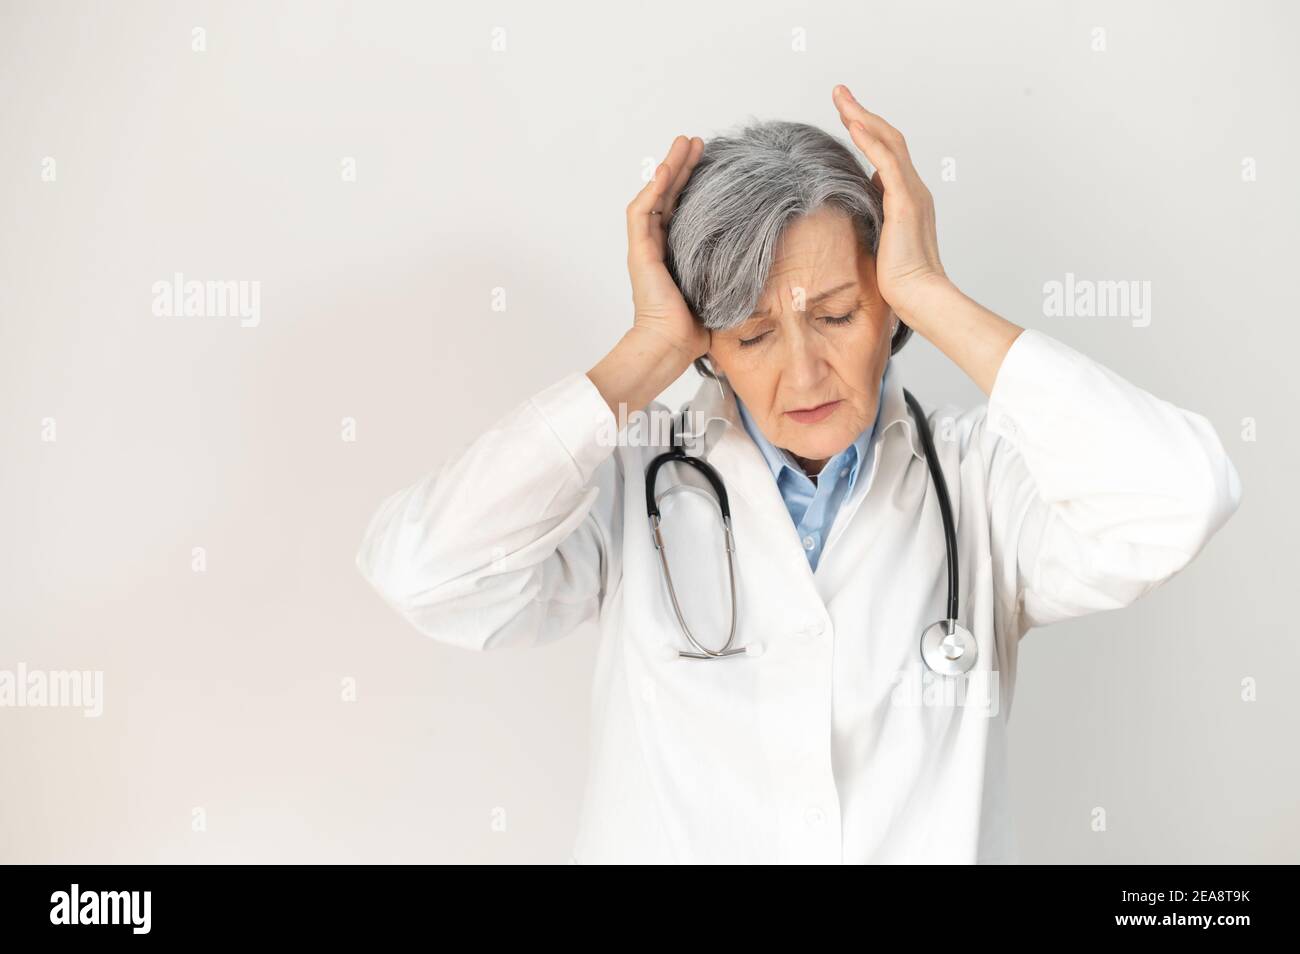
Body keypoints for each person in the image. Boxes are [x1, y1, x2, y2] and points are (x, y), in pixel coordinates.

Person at [355, 85, 1243, 863]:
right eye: (750, 336)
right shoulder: (633, 486)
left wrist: (931, 290)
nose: (805, 374)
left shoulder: (981, 483)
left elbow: (1180, 499)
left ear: (886, 306)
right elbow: (425, 572)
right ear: (705, 343)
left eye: (839, 315)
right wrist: (643, 354)